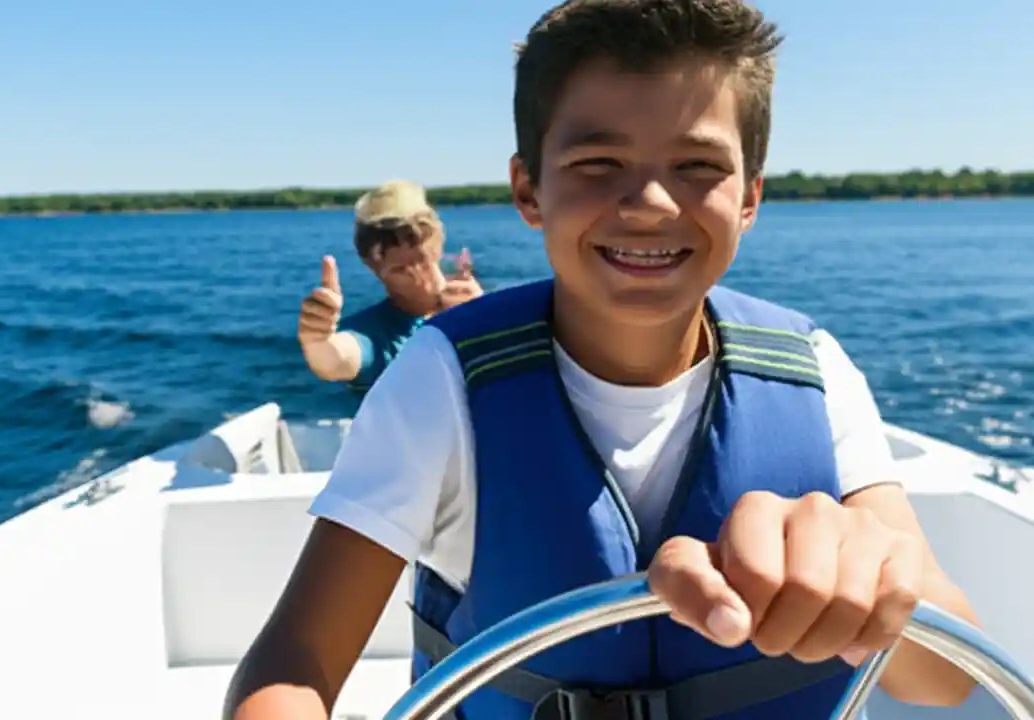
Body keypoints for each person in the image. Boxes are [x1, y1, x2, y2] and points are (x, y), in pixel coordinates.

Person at [228, 1, 980, 718]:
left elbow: (947, 681)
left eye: (697, 167)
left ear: (749, 198)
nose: (650, 202)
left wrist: (873, 586)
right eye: (597, 163)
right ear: (528, 190)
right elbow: (297, 661)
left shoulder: (814, 371)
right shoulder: (442, 380)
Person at [297, 179, 483, 392]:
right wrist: (317, 342)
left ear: (437, 242)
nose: (412, 269)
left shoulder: (477, 307)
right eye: (399, 267)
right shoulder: (373, 334)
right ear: (369, 261)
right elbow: (337, 358)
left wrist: (483, 318)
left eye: (412, 236)